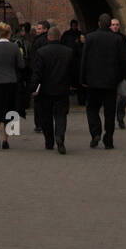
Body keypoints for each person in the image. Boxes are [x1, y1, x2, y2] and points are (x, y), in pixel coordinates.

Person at [80, 13, 126, 149]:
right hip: (110, 82)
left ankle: (95, 132)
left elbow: (84, 60)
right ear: (109, 25)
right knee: (109, 112)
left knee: (92, 109)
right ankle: (108, 139)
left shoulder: (90, 38)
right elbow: (124, 61)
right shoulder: (117, 40)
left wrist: (82, 79)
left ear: (98, 23)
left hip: (93, 82)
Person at [32, 25, 74, 153]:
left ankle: (49, 141)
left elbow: (37, 73)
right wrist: (72, 85)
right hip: (62, 89)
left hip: (45, 90)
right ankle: (59, 136)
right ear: (60, 37)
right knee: (61, 115)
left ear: (48, 37)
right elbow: (72, 71)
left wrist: (33, 88)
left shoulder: (41, 52)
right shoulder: (68, 52)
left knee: (46, 116)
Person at [0, 21, 24, 149]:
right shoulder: (14, 47)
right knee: (9, 109)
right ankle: (5, 140)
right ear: (9, 33)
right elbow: (21, 65)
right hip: (10, 81)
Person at [110, 17, 126, 128]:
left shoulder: (124, 38)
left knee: (124, 96)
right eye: (113, 24)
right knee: (110, 98)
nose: (115, 26)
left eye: (117, 24)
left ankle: (120, 116)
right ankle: (111, 118)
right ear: (110, 26)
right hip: (110, 73)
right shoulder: (107, 38)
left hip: (123, 73)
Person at [31, 21, 50, 131]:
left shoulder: (37, 41)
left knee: (38, 100)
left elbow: (34, 59)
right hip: (49, 75)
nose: (37, 31)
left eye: (39, 29)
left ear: (45, 29)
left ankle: (38, 124)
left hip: (38, 74)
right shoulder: (50, 40)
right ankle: (46, 122)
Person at [14, 23, 33, 118]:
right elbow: (29, 54)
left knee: (18, 87)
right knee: (26, 86)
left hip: (16, 69)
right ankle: (25, 103)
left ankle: (19, 105)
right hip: (25, 66)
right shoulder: (27, 41)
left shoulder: (12, 42)